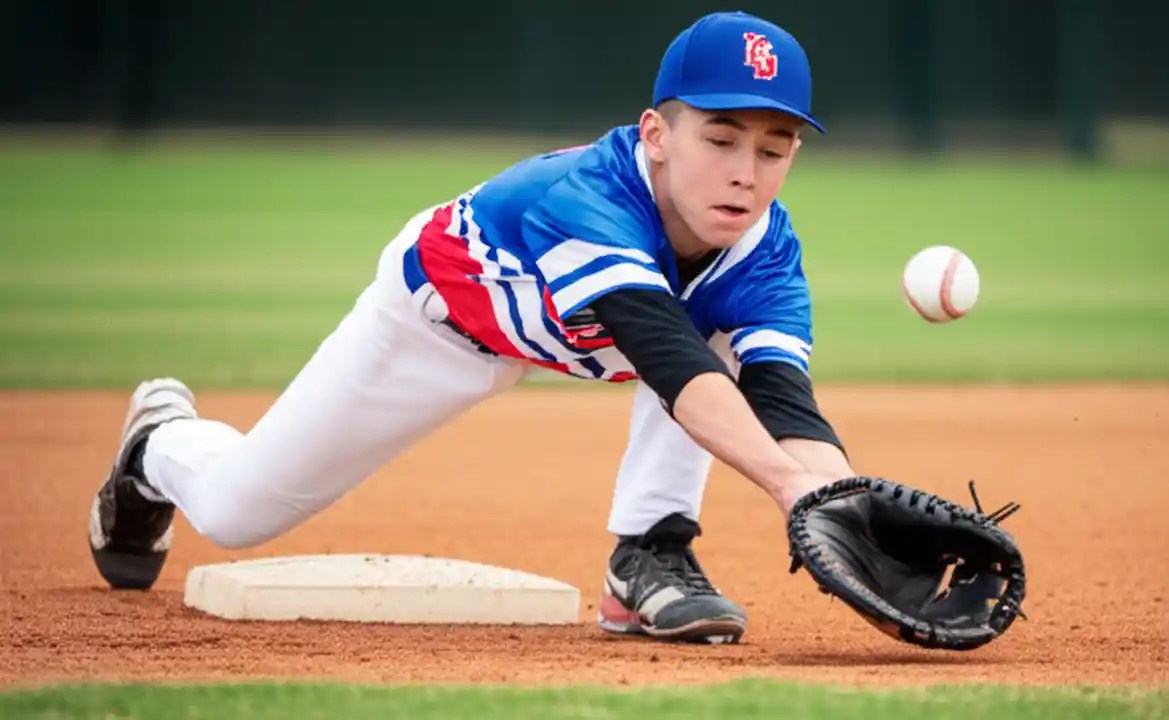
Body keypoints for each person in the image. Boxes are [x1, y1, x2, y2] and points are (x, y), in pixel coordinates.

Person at [88, 11, 854, 646]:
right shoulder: (589, 198)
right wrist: (794, 491)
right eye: (720, 139)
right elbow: (670, 362)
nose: (745, 173)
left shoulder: (765, 247)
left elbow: (784, 397)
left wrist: (843, 501)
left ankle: (649, 557)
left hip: (603, 333)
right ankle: (158, 443)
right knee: (234, 511)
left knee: (716, 339)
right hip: (437, 323)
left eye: (774, 148)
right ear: (656, 133)